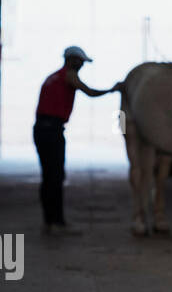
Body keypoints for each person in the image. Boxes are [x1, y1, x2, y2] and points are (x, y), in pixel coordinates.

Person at [33, 46, 120, 235]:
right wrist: (112, 90)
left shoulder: (54, 76)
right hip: (51, 131)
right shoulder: (68, 75)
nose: (81, 66)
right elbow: (89, 92)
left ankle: (50, 221)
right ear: (71, 59)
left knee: (49, 177)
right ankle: (56, 222)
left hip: (43, 129)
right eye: (80, 62)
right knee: (55, 177)